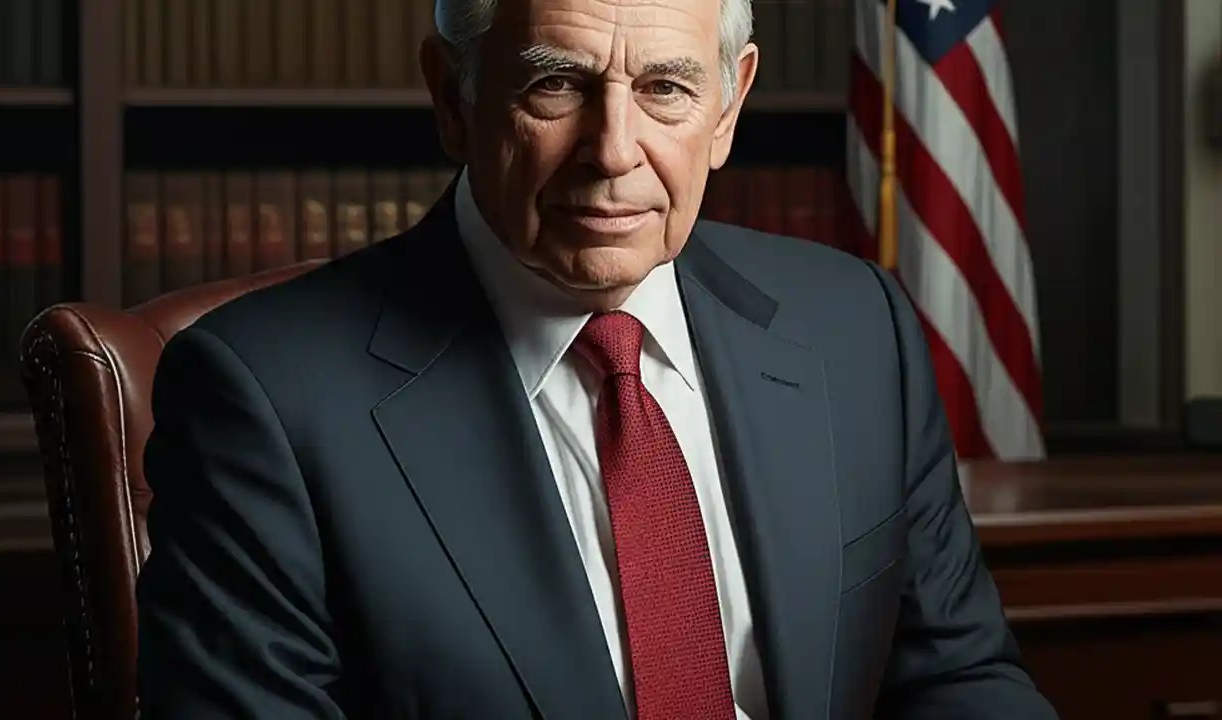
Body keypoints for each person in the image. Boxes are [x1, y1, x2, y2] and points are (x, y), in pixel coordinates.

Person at [135, 0, 1060, 717]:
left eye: (666, 89)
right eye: (556, 85)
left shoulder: (854, 328)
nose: (613, 152)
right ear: (453, 97)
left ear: (729, 106)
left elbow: (957, 679)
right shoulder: (263, 398)